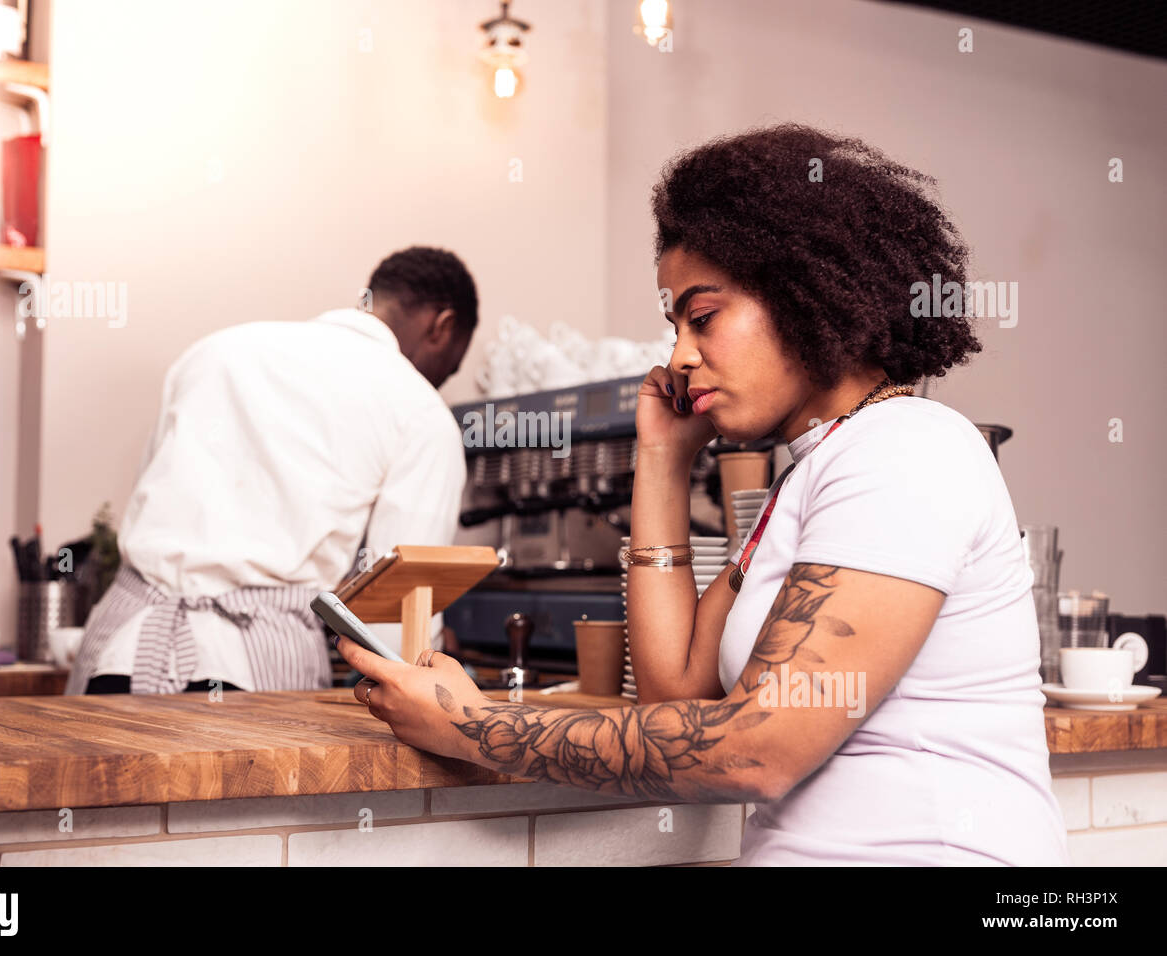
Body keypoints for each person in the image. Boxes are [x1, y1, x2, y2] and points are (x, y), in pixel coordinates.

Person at [333, 125, 1070, 866]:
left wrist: (476, 728)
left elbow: (758, 749)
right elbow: (674, 700)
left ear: (806, 295)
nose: (680, 355)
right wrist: (659, 458)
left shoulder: (907, 446)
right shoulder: (810, 474)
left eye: (704, 317)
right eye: (675, 325)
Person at [65, 246, 478, 695]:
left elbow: (156, 503)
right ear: (443, 326)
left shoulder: (214, 351)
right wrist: (433, 664)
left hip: (118, 650)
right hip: (250, 671)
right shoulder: (420, 410)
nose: (440, 382)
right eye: (449, 369)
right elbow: (398, 611)